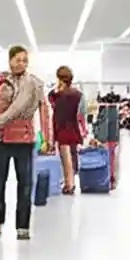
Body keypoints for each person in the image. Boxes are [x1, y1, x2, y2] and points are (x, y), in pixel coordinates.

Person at [0, 45, 52, 240]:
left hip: (25, 140)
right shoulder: (0, 81)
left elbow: (44, 112)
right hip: (1, 139)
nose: (21, 63)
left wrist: (47, 138)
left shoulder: (35, 84)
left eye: (25, 60)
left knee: (25, 184)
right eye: (18, 60)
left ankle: (23, 226)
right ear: (10, 60)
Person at [48, 66, 86, 194]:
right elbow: (80, 112)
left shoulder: (56, 95)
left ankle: (69, 184)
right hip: (73, 127)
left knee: (65, 157)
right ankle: (70, 182)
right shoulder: (77, 94)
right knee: (72, 155)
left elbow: (51, 100)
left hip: (61, 128)